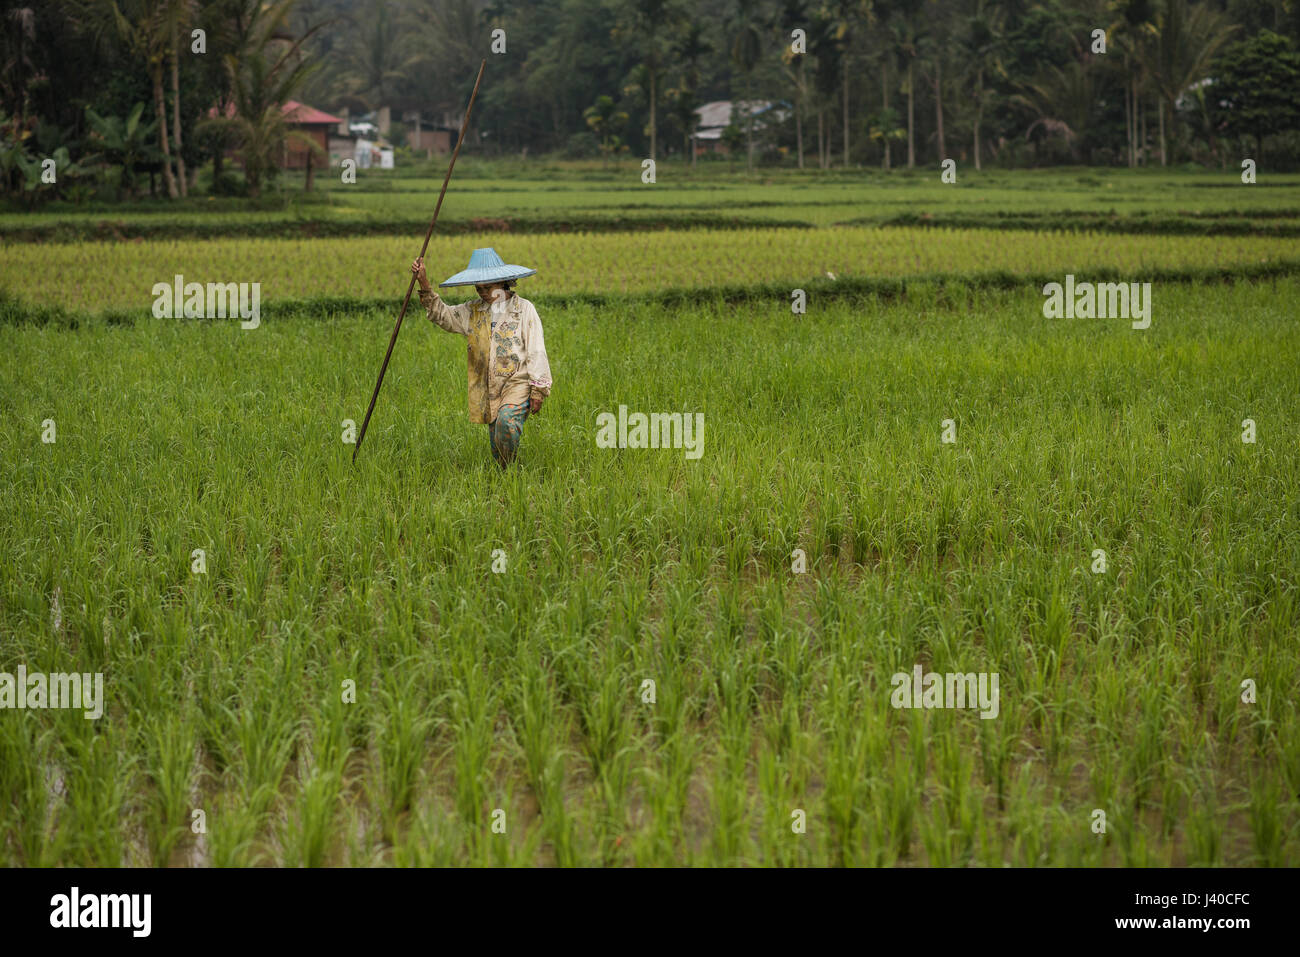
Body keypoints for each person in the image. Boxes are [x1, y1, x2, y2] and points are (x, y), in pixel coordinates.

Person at [411, 247, 552, 468]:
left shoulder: (524, 310)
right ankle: (506, 474)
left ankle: (509, 470)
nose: (483, 293)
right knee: (497, 439)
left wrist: (539, 389)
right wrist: (424, 283)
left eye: (488, 287)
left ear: (503, 282)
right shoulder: (473, 310)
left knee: (507, 422)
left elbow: (536, 349)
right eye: (479, 288)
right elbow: (444, 316)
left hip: (518, 381)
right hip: (488, 384)